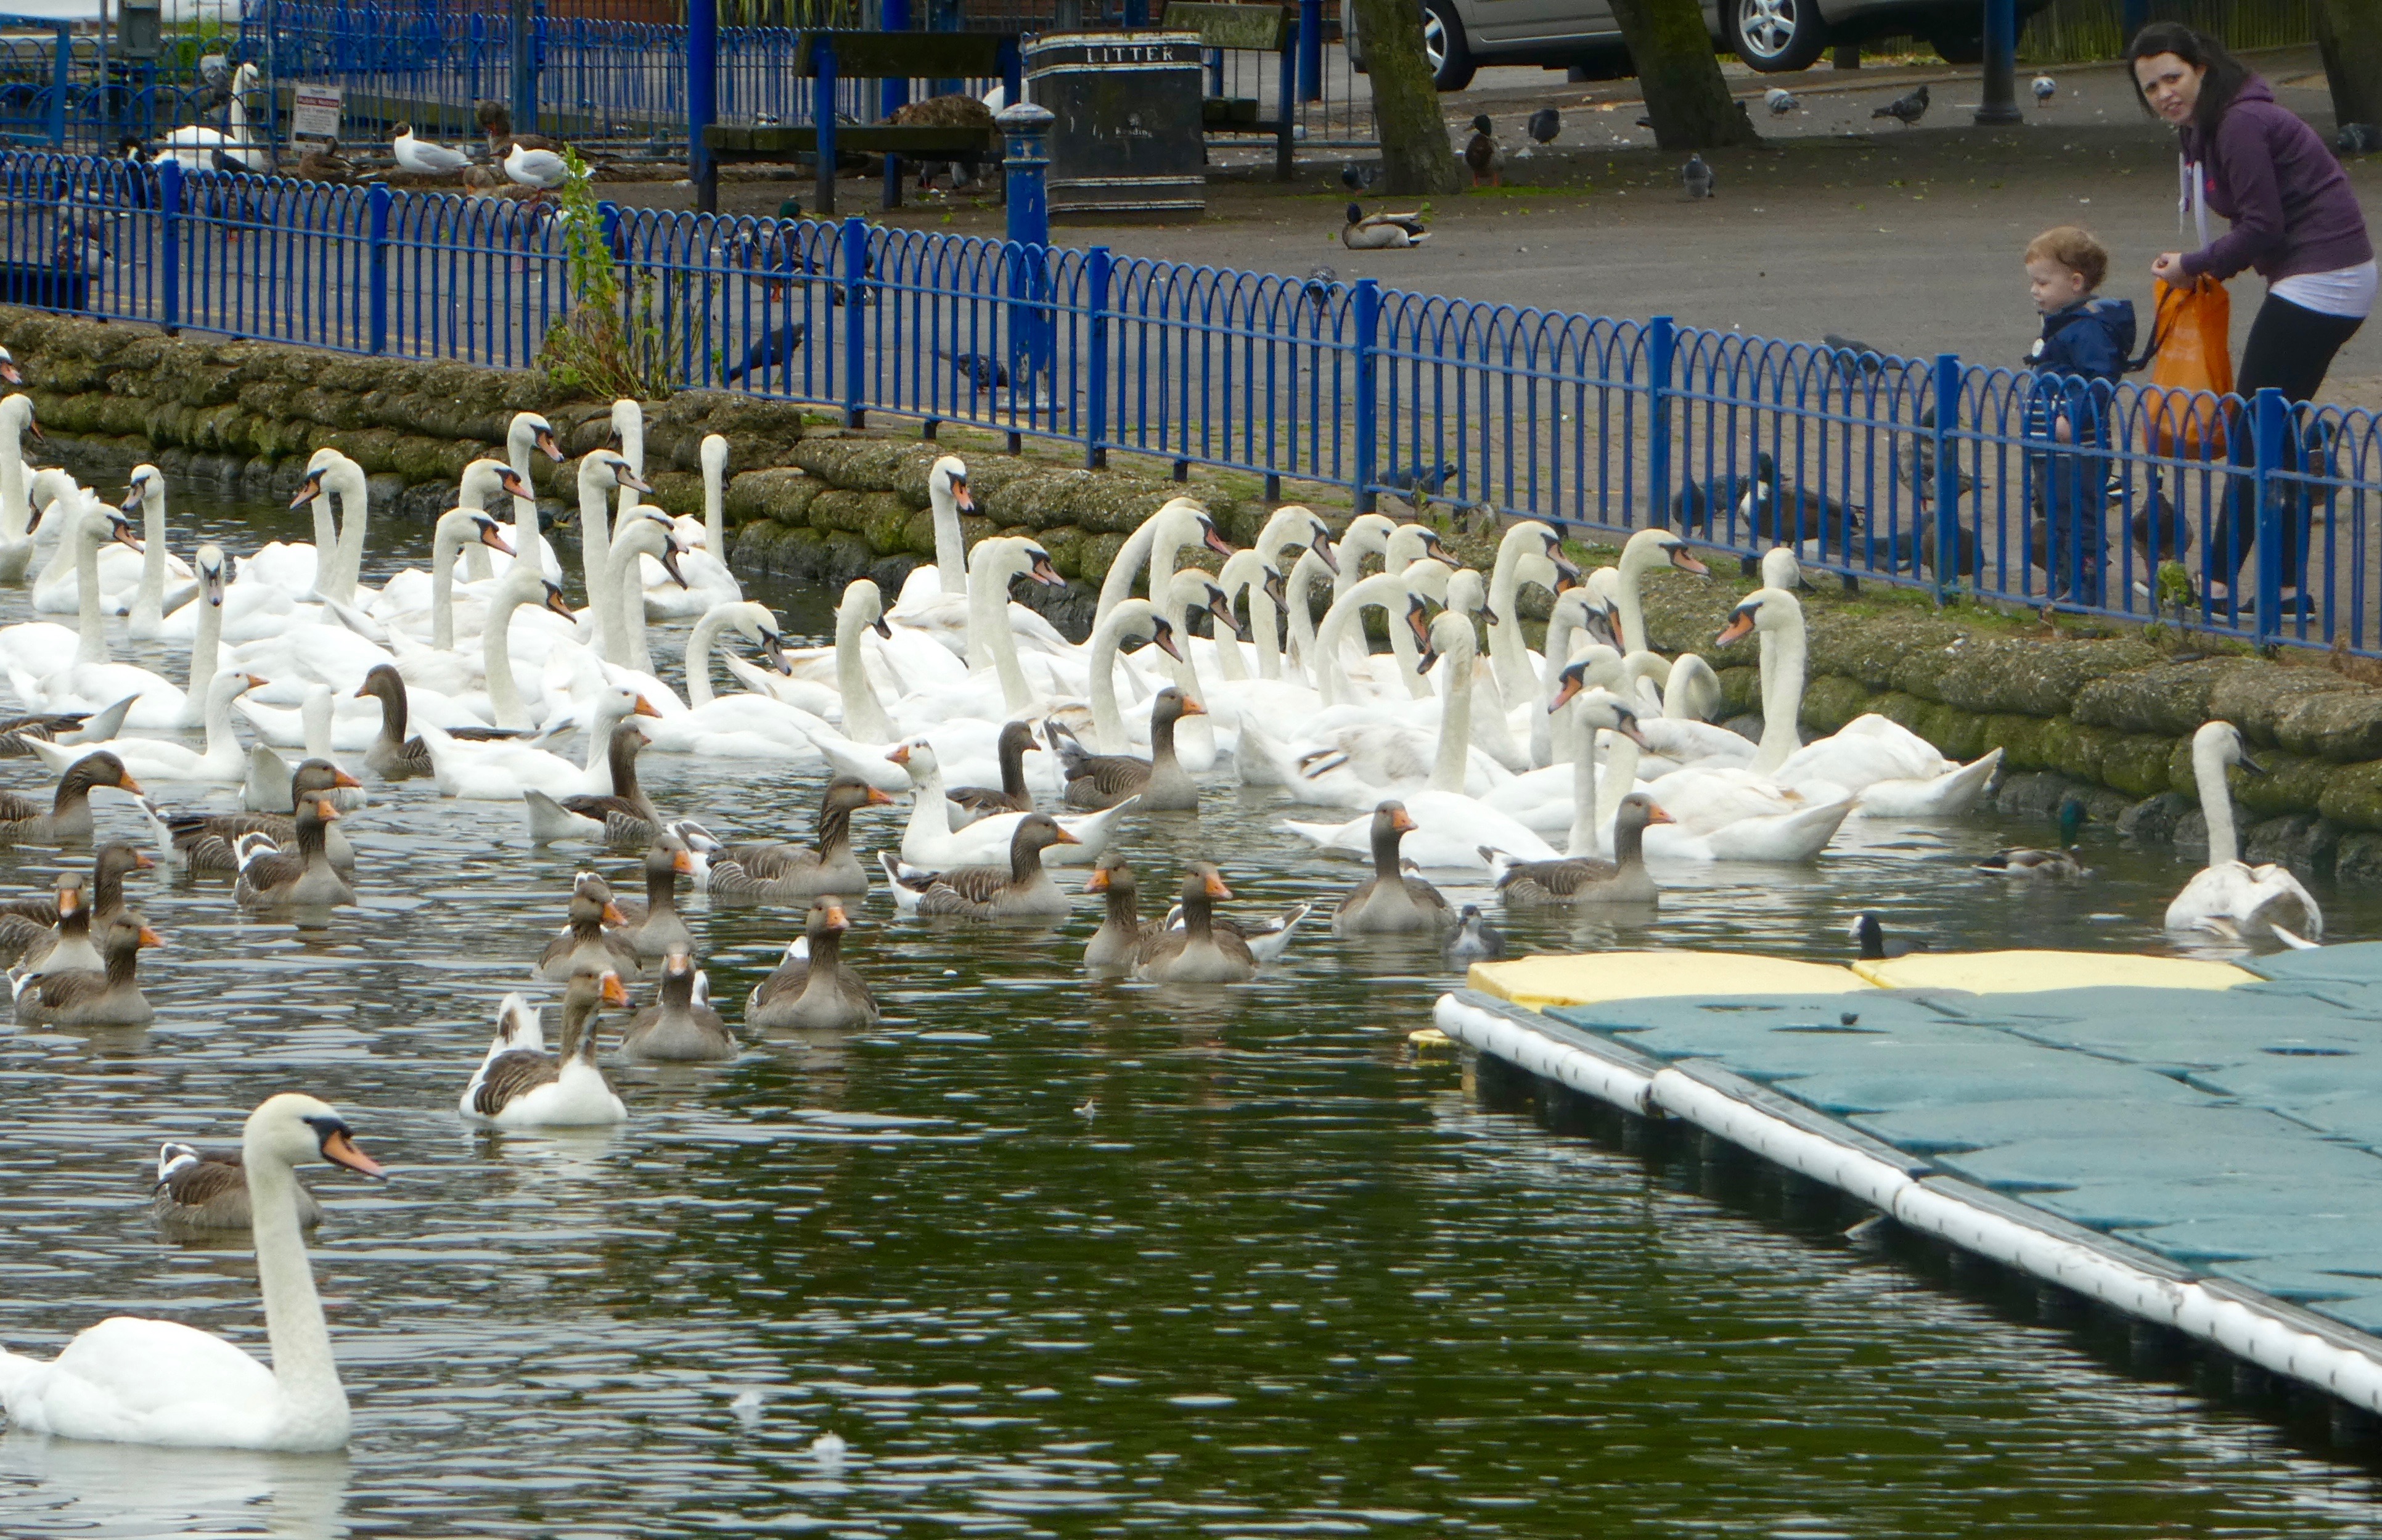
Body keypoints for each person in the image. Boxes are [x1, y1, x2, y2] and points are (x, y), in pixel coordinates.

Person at [2129, 22, 2374, 617]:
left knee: (2248, 435)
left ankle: (2212, 589)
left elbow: (2264, 227)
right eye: (2151, 87)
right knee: (2277, 438)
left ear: (2202, 70)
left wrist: (2194, 265)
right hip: (2326, 279)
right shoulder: (2208, 127)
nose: (2164, 94)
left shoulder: (2239, 123)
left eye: (2173, 78)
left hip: (2323, 280)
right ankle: (2290, 593)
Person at [2023, 226, 2134, 607]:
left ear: (2075, 282)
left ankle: (2086, 584)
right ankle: (2063, 578)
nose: (2034, 290)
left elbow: (2099, 379)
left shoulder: (2087, 329)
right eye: (2033, 282)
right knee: (2054, 511)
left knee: (2079, 513)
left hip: (2076, 442)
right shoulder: (2061, 324)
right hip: (2049, 442)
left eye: (2042, 282)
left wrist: (2073, 415)